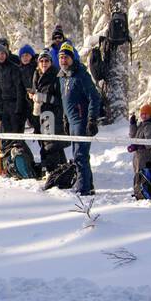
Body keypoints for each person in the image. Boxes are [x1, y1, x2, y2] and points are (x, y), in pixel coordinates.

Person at [58, 42, 100, 195]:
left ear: (72, 58)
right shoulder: (62, 77)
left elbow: (94, 97)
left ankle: (84, 189)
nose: (63, 60)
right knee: (77, 155)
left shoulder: (81, 74)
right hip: (71, 121)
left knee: (80, 155)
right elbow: (65, 100)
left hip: (82, 120)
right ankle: (87, 184)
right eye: (61, 57)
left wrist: (91, 120)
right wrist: (64, 119)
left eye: (66, 58)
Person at [30, 50, 66, 173]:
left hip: (52, 114)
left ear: (51, 62)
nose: (44, 63)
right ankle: (60, 169)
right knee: (46, 144)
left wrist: (45, 98)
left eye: (47, 61)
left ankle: (53, 171)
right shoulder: (36, 75)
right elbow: (36, 92)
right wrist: (33, 96)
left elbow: (61, 99)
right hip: (40, 113)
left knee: (50, 145)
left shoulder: (56, 76)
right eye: (42, 61)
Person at [127, 103, 151, 200]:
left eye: (146, 114)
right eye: (142, 114)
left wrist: (138, 146)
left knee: (143, 174)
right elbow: (132, 135)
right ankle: (139, 192)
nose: (143, 116)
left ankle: (144, 193)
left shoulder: (149, 126)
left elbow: (150, 142)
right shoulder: (142, 125)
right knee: (138, 174)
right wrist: (133, 124)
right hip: (138, 156)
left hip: (145, 156)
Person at [0, 42, 28, 133]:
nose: (1, 56)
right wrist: (0, 109)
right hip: (5, 105)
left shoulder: (14, 68)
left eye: (3, 53)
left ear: (6, 54)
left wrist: (19, 108)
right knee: (6, 134)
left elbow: (19, 88)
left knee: (16, 135)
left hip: (15, 104)